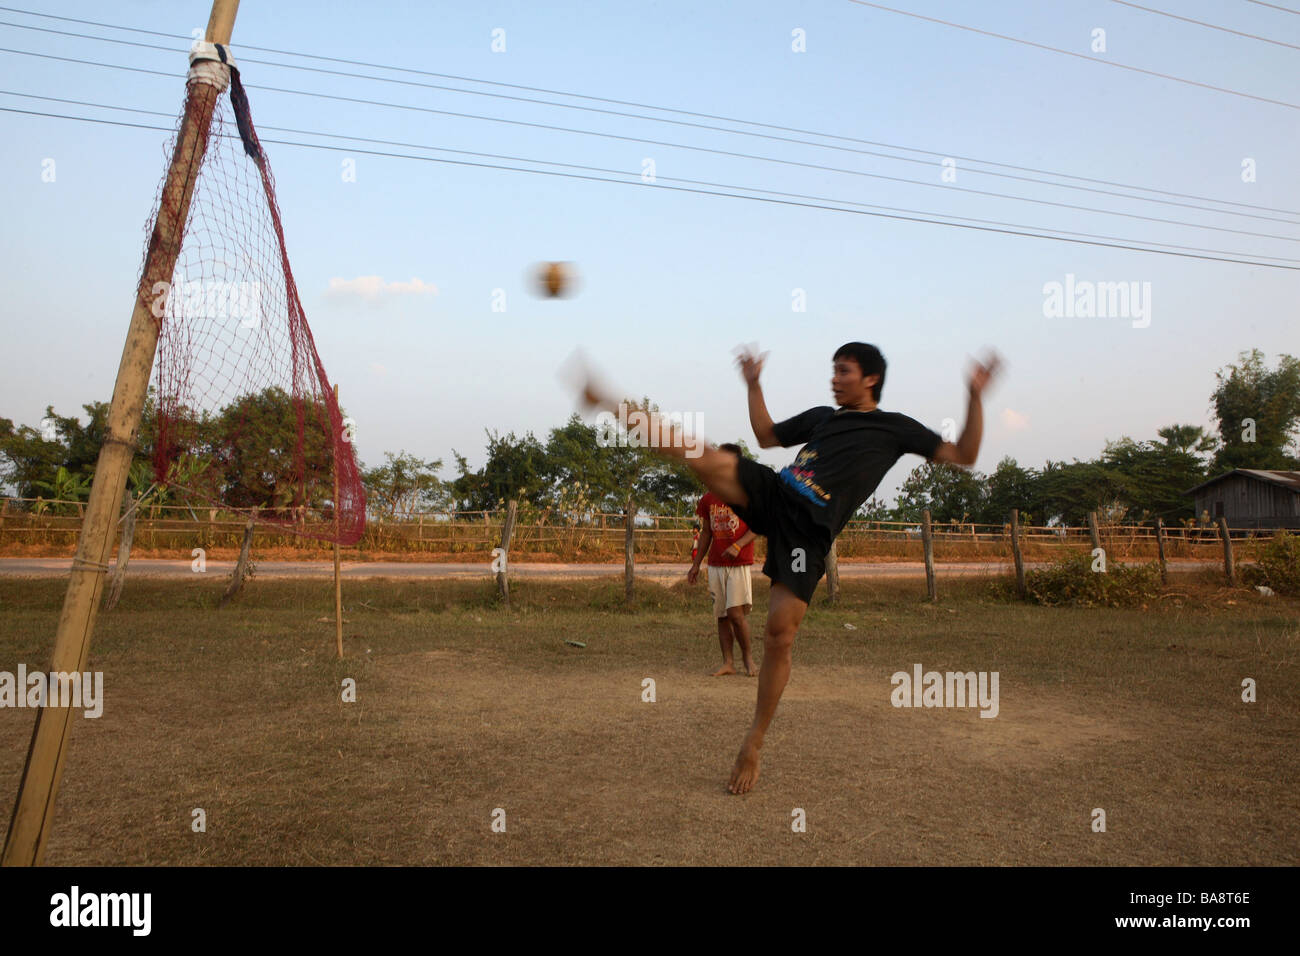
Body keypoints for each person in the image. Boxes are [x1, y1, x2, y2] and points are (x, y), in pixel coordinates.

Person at [574, 341, 999, 794]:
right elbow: (765, 435)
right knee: (699, 455)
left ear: (871, 378)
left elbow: (964, 455)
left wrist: (974, 395)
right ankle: (608, 401)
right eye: (833, 370)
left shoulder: (893, 428)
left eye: (844, 371)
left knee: (779, 635)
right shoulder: (823, 417)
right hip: (777, 493)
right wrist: (754, 384)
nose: (835, 378)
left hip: (808, 534)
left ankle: (753, 743)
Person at [687, 443, 757, 677]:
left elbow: (759, 525)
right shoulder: (709, 498)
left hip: (739, 563)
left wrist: (739, 545)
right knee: (722, 616)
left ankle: (748, 659)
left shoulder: (746, 493)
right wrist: (696, 564)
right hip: (716, 564)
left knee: (736, 615)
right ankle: (728, 662)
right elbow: (707, 532)